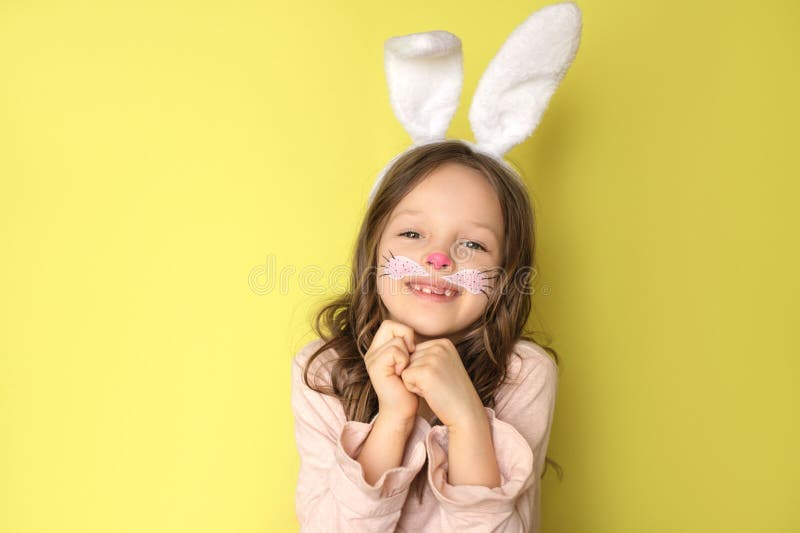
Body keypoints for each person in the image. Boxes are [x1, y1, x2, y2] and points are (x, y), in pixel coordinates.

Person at [291, 3, 582, 531]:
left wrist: (467, 419)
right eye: (411, 234)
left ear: (504, 277)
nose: (439, 259)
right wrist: (395, 416)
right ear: (373, 252)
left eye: (472, 245)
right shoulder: (323, 370)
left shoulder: (524, 374)